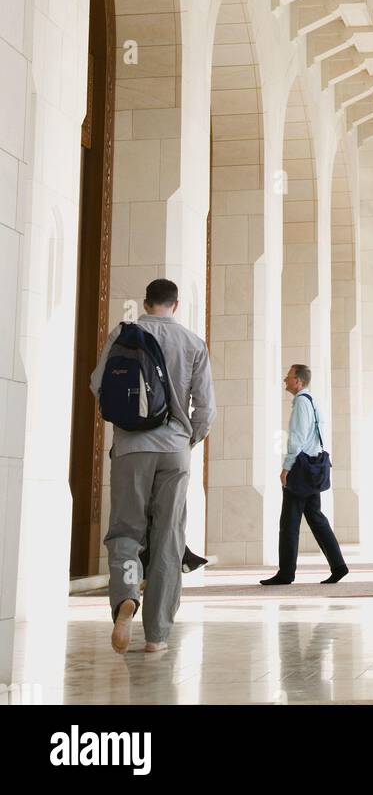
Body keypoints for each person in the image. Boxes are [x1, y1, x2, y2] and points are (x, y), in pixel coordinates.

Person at [90, 278, 216, 654]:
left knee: (126, 530)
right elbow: (206, 408)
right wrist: (187, 439)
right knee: (168, 538)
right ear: (175, 305)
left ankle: (126, 597)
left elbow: (98, 385)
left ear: (145, 303)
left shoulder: (123, 333)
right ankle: (157, 636)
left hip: (131, 448)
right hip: (175, 449)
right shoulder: (193, 343)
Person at [260, 365, 348, 587]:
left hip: (300, 468)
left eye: (288, 377)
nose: (284, 380)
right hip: (313, 467)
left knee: (289, 522)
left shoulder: (301, 402)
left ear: (298, 381)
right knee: (316, 517)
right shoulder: (312, 401)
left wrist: (286, 467)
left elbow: (297, 438)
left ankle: (286, 573)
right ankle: (338, 566)